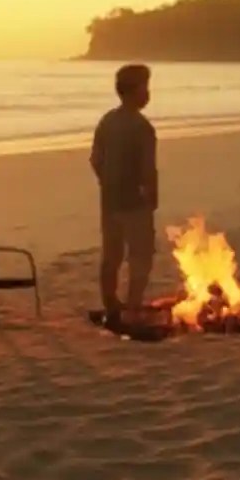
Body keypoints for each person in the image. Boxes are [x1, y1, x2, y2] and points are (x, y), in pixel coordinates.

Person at [90, 64, 158, 317]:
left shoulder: (107, 121)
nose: (148, 93)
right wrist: (151, 196)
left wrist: (107, 182)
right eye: (145, 87)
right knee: (141, 255)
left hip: (110, 200)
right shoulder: (142, 127)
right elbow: (148, 169)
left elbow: (96, 159)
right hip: (134, 202)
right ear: (134, 91)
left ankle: (110, 301)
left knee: (112, 254)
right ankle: (133, 304)